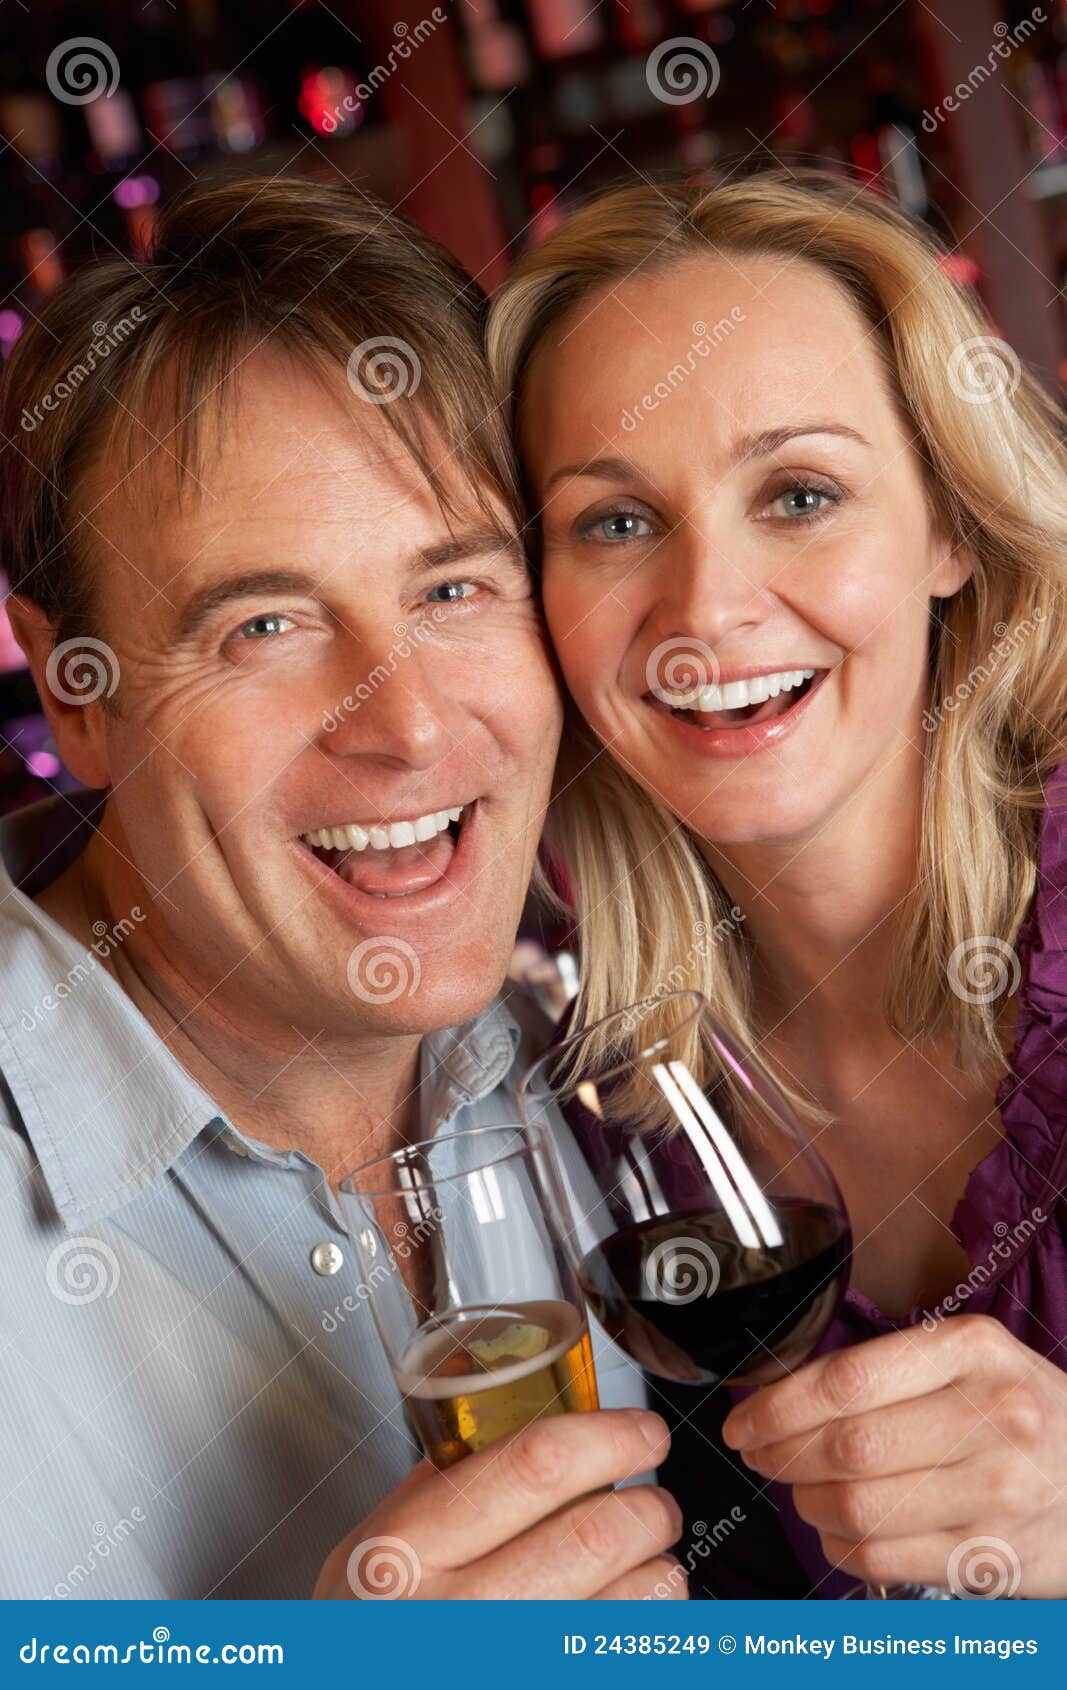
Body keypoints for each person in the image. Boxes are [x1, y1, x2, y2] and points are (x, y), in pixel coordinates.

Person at [0, 177, 682, 1602]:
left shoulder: (606, 1027)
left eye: (453, 590)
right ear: (79, 690)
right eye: (264, 623)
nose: (411, 726)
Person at [488, 168, 1067, 1598]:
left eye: (799, 493)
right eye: (616, 522)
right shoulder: (584, 1086)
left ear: (948, 527)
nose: (709, 609)